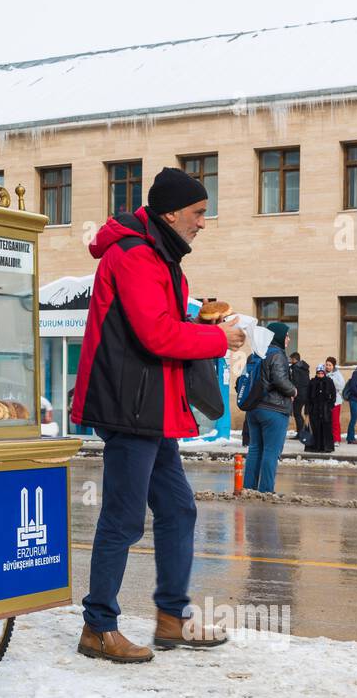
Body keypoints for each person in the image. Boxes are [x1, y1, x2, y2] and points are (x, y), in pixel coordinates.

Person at [71, 167, 246, 661]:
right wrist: (217, 338)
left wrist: (200, 321)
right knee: (123, 520)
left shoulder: (158, 253)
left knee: (177, 509)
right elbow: (155, 335)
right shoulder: (137, 255)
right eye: (198, 213)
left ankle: (171, 619)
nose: (202, 223)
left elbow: (159, 326)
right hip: (130, 407)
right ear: (171, 213)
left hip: (150, 405)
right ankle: (97, 627)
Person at [243, 323, 296, 493]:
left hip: (253, 409)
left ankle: (249, 487)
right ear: (278, 336)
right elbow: (279, 380)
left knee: (255, 448)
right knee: (271, 451)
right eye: (287, 335)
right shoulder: (277, 355)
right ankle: (266, 490)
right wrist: (293, 390)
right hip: (274, 410)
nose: (289, 339)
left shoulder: (255, 354)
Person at [305, 365, 337, 452]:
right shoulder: (312, 382)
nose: (320, 375)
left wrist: (330, 406)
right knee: (315, 427)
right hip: (314, 408)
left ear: (324, 373)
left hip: (325, 409)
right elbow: (308, 397)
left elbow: (333, 394)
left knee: (326, 427)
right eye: (318, 373)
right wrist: (308, 409)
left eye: (322, 373)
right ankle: (316, 446)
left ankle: (326, 447)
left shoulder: (329, 381)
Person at [288, 351, 310, 441]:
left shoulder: (296, 368)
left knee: (297, 413)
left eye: (291, 359)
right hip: (306, 393)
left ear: (294, 359)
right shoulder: (304, 367)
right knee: (303, 414)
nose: (290, 361)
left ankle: (300, 433)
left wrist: (292, 392)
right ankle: (303, 432)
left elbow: (295, 382)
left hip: (299, 394)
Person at [325, 357, 344, 447]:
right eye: (327, 365)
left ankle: (336, 439)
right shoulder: (323, 373)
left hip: (336, 402)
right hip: (325, 402)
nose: (328, 367)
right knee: (326, 421)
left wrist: (332, 379)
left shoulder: (337, 374)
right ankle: (328, 438)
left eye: (330, 365)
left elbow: (341, 386)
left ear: (333, 366)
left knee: (335, 421)